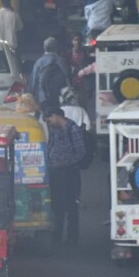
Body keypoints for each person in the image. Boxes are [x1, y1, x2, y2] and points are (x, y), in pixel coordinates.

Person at [44, 103, 90, 246]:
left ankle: (72, 238)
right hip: (55, 172)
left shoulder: (72, 129)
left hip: (69, 172)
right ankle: (56, 236)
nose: (48, 121)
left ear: (56, 116)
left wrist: (66, 163)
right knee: (57, 206)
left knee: (71, 206)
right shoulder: (53, 129)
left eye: (49, 118)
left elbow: (81, 151)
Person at [29, 37, 71, 108]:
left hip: (43, 96)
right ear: (56, 47)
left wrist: (31, 93)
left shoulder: (39, 62)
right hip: (59, 96)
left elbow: (33, 80)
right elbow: (67, 77)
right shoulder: (61, 61)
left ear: (44, 48)